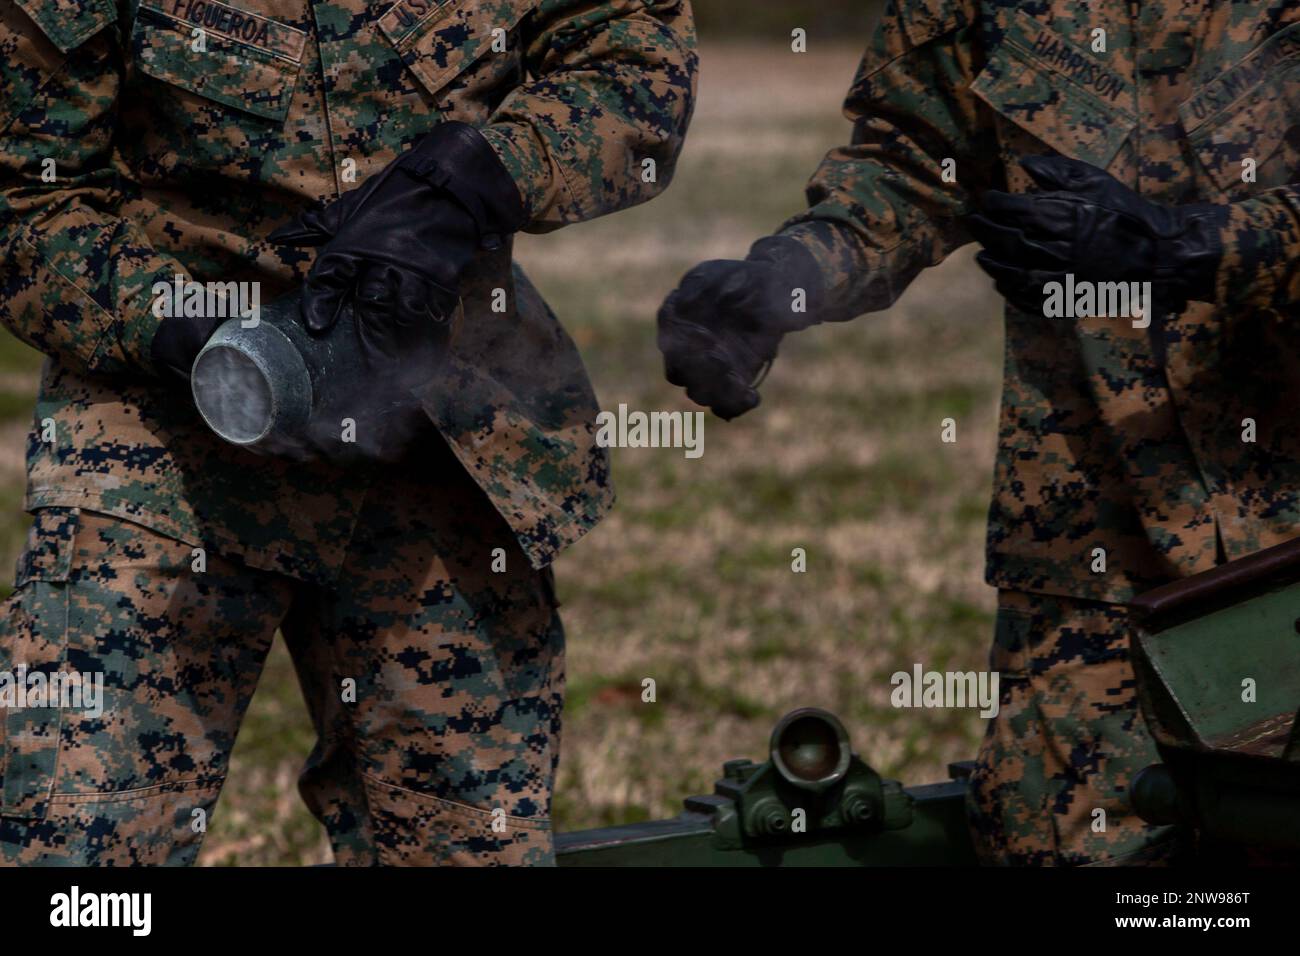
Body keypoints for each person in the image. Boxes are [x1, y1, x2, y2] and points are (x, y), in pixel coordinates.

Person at [0, 0, 697, 866]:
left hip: (435, 418)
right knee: (76, 858)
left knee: (467, 847)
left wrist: (480, 174)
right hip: (162, 436)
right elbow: (29, 197)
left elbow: (632, 55)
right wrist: (184, 327)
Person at [657, 0, 1300, 865]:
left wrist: (1189, 246)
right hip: (1096, 559)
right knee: (1058, 847)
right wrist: (788, 279)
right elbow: (915, 164)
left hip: (1286, 552)